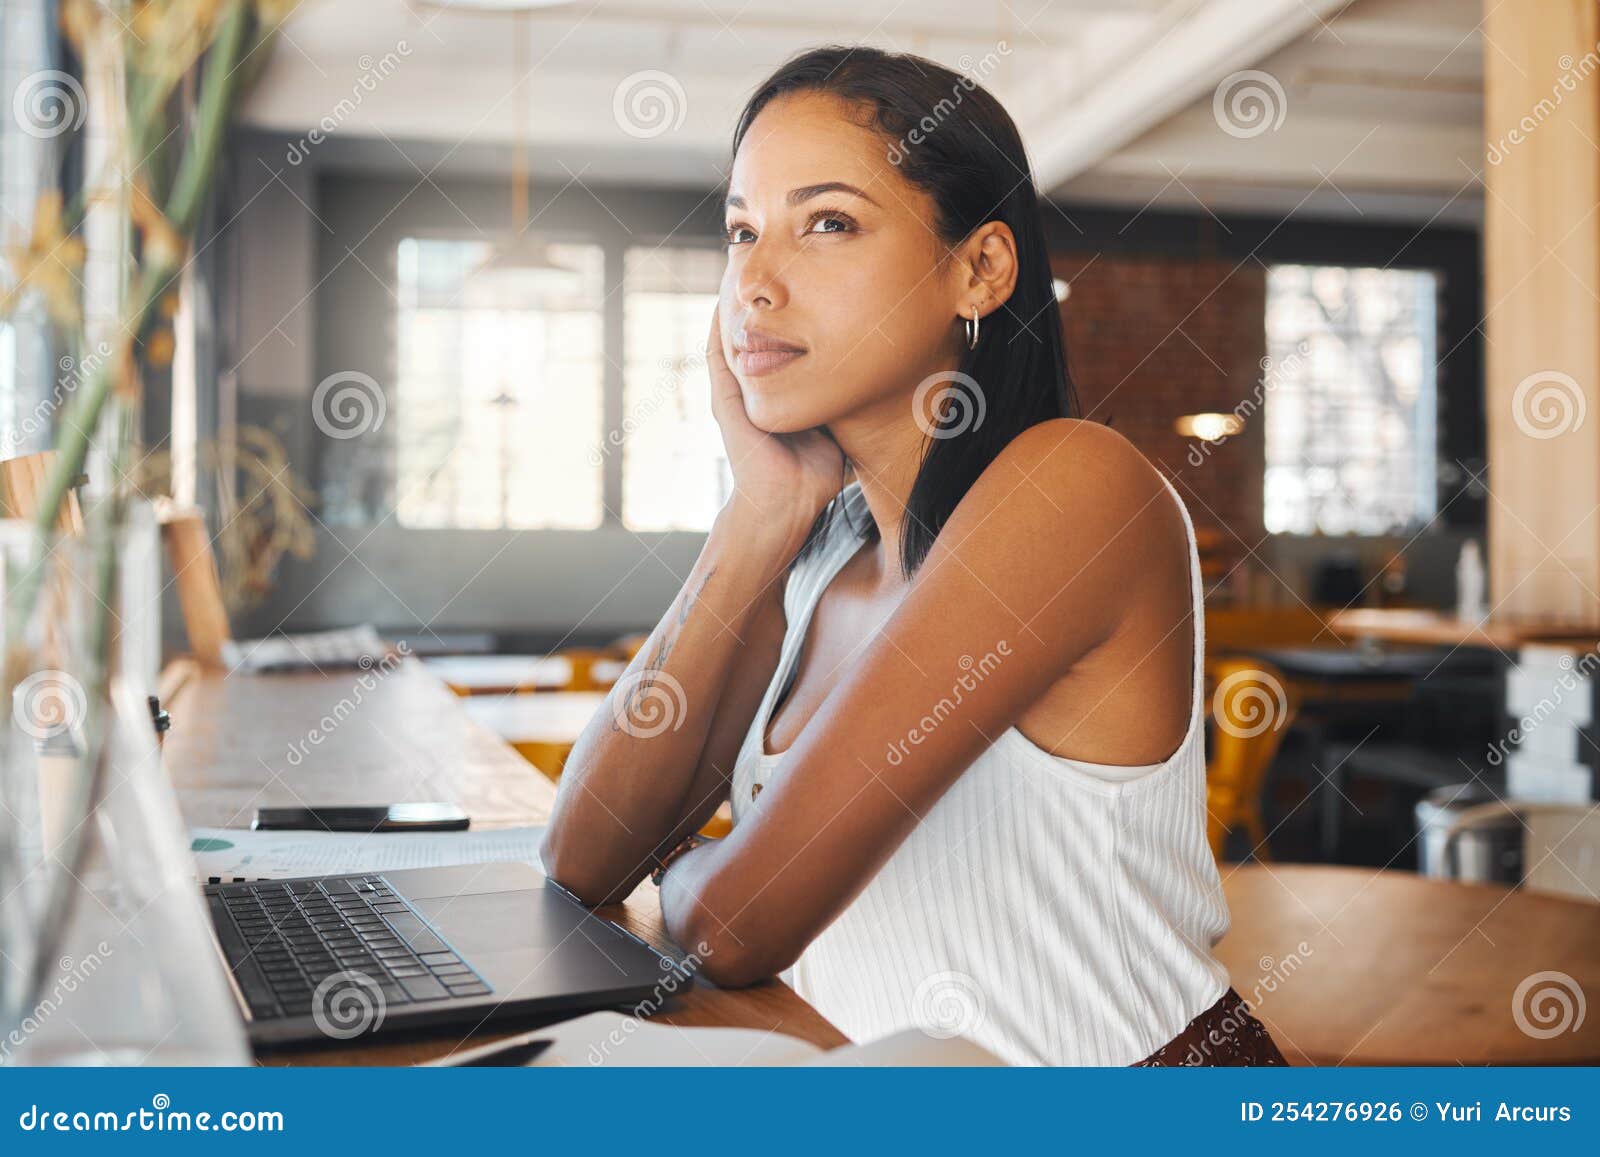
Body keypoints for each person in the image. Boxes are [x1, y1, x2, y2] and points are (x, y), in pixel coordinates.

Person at [541, 44, 1285, 1067]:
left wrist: (680, 872)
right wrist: (759, 514)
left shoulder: (1071, 486)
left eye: (828, 223)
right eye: (742, 230)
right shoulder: (815, 549)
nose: (753, 283)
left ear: (980, 269)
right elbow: (581, 856)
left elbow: (736, 922)